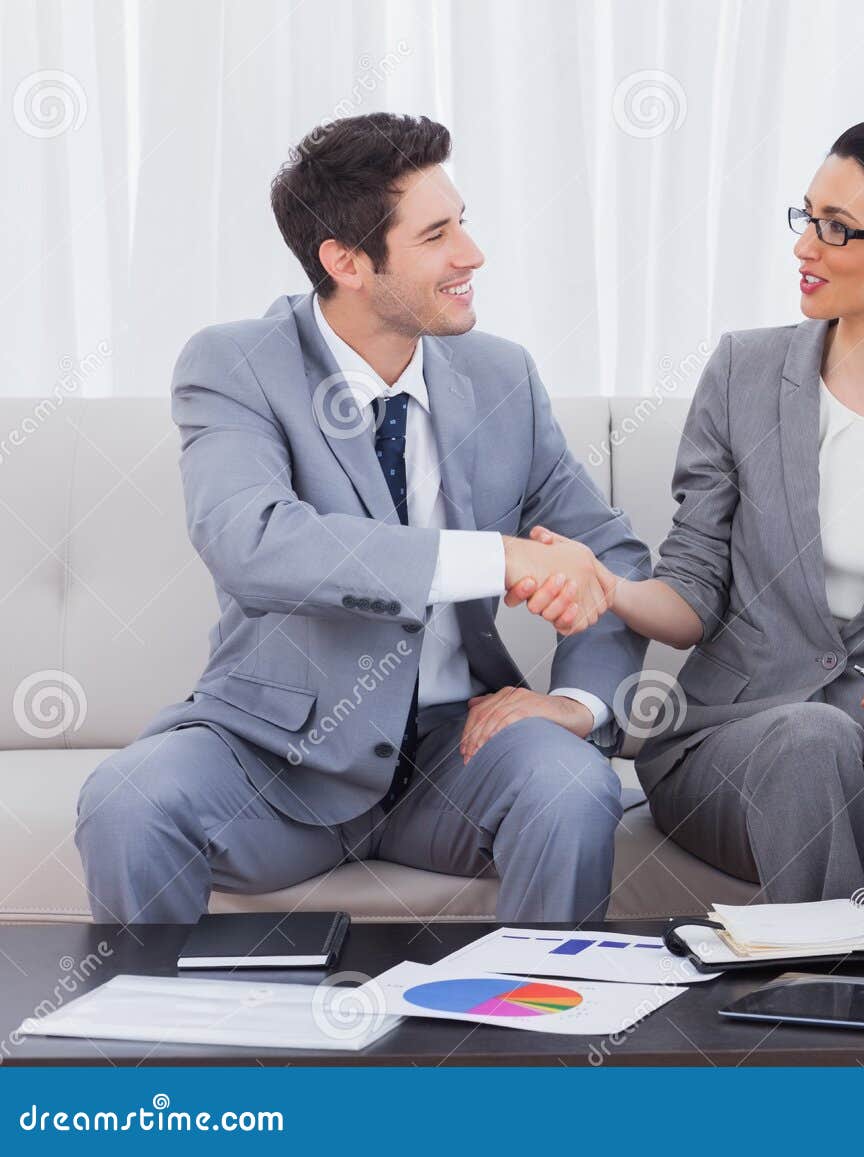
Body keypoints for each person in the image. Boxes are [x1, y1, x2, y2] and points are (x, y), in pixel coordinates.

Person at [75, 113, 650, 925]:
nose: (472, 255)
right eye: (437, 234)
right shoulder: (236, 364)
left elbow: (609, 554)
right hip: (274, 758)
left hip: (463, 746)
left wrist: (581, 705)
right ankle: (161, 1047)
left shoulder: (501, 376)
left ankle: (535, 1045)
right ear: (345, 262)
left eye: (465, 223)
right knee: (127, 801)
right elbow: (254, 542)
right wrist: (497, 558)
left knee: (571, 785)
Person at [525, 118, 864, 903]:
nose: (804, 247)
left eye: (837, 229)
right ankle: (831, 993)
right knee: (812, 737)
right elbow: (690, 598)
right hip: (737, 739)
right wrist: (607, 585)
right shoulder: (742, 373)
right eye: (807, 217)